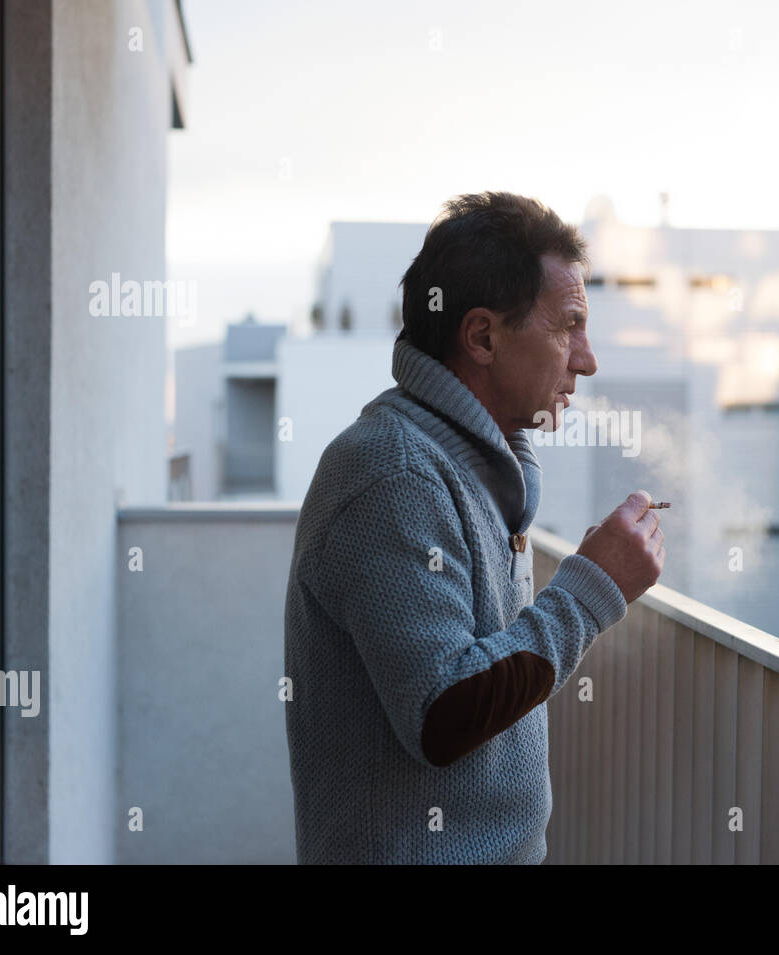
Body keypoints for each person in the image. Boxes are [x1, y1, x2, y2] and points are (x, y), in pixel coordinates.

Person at [283, 191, 665, 864]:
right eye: (568, 325)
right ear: (484, 336)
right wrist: (591, 587)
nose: (587, 359)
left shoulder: (466, 467)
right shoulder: (394, 475)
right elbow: (442, 710)